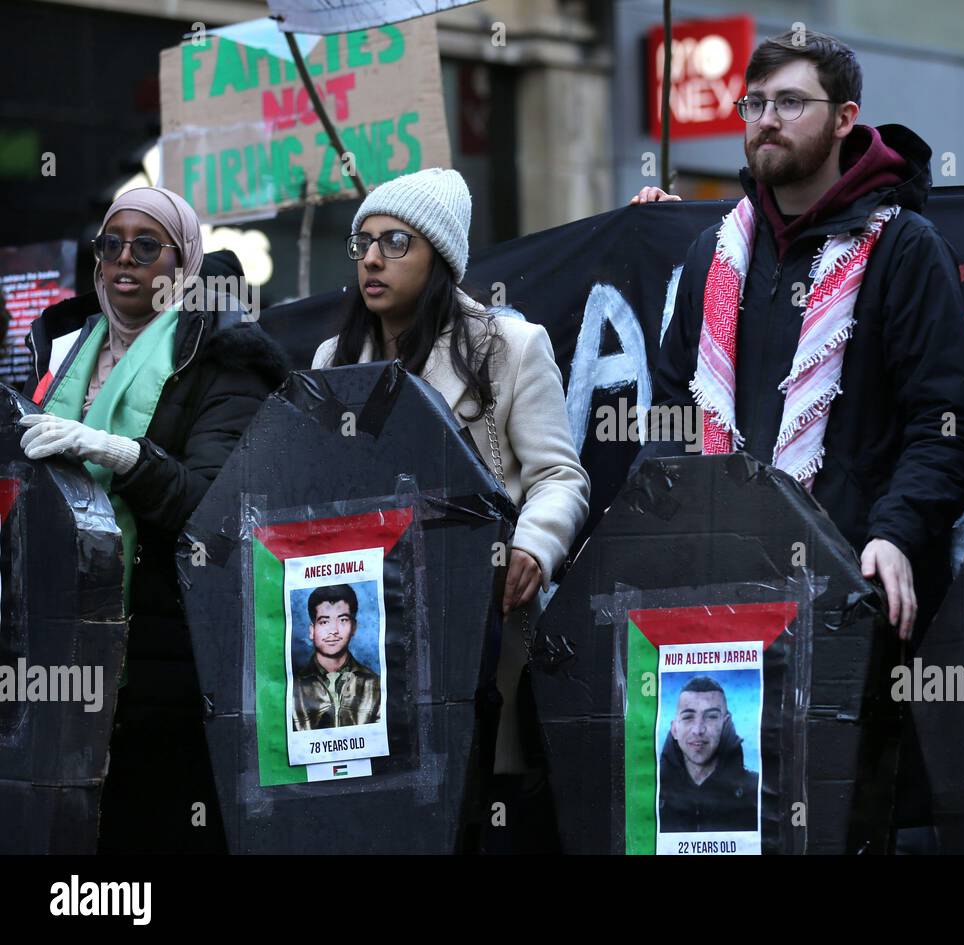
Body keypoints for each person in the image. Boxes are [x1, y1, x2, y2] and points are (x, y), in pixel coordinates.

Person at [639, 29, 964, 640]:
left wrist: (895, 534)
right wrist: (653, 533)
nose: (767, 120)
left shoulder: (906, 250)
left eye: (791, 103)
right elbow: (672, 419)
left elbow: (942, 425)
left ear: (845, 118)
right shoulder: (712, 255)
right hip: (717, 588)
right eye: (756, 103)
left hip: (853, 594)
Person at [313, 166, 590, 849]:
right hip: (370, 636)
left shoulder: (512, 348)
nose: (372, 258)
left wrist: (533, 545)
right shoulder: (331, 357)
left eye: (395, 242)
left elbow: (560, 475)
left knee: (476, 814)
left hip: (483, 634)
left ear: (440, 257)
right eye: (363, 242)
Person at [20, 186, 291, 852]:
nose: (125, 261)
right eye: (111, 243)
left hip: (169, 674)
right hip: (55, 659)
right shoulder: (63, 352)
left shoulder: (225, 356)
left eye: (148, 246)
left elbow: (214, 511)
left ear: (183, 262)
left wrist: (119, 452)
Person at [658, 676, 759, 833]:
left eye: (711, 716)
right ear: (674, 729)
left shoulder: (757, 791)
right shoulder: (652, 790)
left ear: (726, 724)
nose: (698, 730)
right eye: (688, 717)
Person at [292, 584, 382, 731]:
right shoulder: (292, 687)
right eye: (324, 622)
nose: (333, 631)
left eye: (343, 620)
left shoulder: (374, 685)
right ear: (312, 630)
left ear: (353, 627)